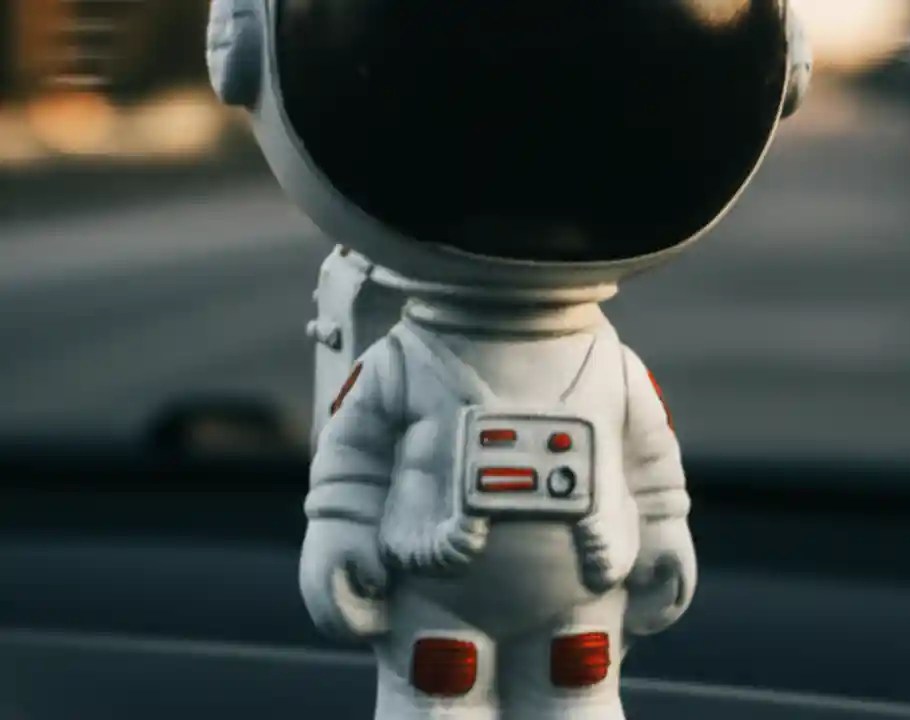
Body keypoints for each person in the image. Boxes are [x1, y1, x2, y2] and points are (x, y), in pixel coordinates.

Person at [206, 1, 812, 717]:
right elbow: (352, 463)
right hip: (462, 600)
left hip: (554, 601)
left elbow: (650, 468)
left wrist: (664, 523)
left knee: (566, 698)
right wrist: (337, 527)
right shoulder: (592, 368)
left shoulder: (417, 364)